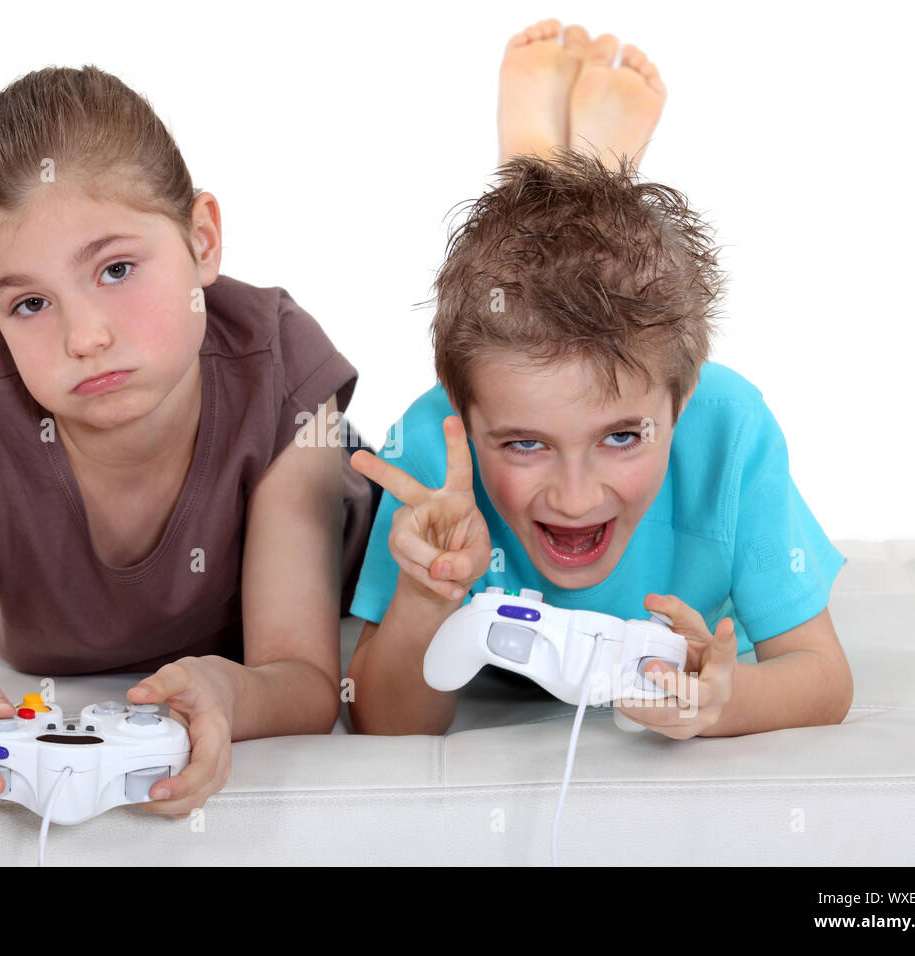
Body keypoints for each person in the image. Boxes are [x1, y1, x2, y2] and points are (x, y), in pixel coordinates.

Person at [0, 65, 377, 817]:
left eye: (117, 269)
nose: (86, 336)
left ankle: (531, 154)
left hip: (350, 517)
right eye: (31, 302)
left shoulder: (281, 362)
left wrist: (231, 691)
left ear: (202, 242)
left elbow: (301, 679)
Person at [346, 20, 853, 737]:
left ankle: (548, 176)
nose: (577, 498)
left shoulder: (728, 432)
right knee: (535, 305)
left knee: (557, 296)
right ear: (460, 405)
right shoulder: (440, 449)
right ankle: (557, 176)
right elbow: (386, 724)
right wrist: (428, 599)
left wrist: (722, 705)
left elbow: (822, 676)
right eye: (523, 444)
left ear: (684, 399)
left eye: (622, 436)